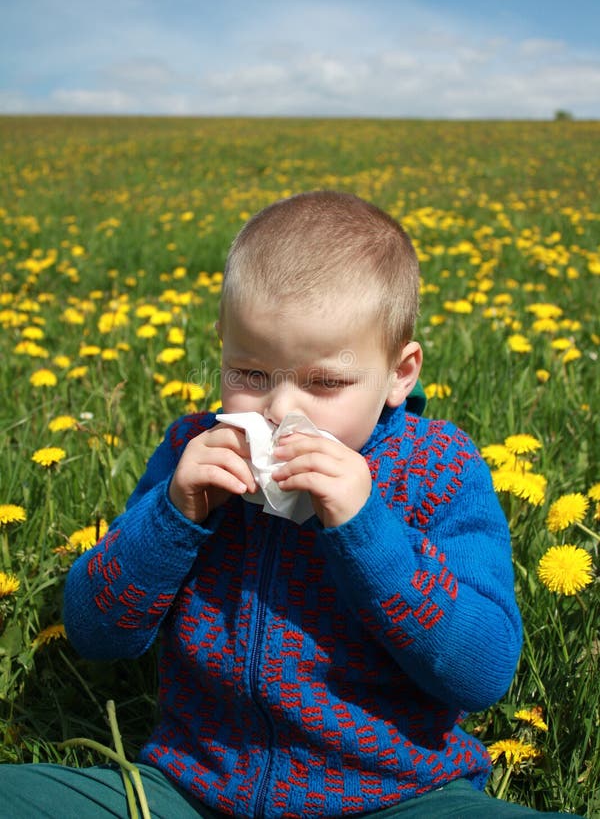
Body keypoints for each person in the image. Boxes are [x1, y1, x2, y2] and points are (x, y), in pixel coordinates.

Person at [0, 191, 564, 818]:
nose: (280, 409)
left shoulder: (439, 470)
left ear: (399, 374)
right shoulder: (193, 452)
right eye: (250, 373)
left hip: (397, 796)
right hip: (193, 789)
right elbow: (94, 630)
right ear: (222, 347)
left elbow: (481, 672)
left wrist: (367, 527)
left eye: (324, 383)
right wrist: (174, 516)